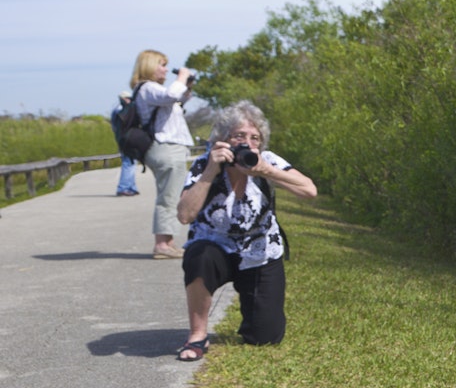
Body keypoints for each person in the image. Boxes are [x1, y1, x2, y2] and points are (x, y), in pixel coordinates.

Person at [174, 101, 317, 361]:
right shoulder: (205, 164)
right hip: (214, 247)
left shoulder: (267, 161)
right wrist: (210, 171)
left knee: (266, 337)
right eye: (239, 136)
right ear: (223, 139)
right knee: (199, 256)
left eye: (254, 138)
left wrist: (266, 170)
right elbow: (184, 215)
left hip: (259, 251)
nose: (247, 144)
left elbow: (310, 190)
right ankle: (197, 335)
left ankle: (253, 314)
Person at [129, 49, 195, 258]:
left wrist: (187, 86)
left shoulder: (152, 90)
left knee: (171, 194)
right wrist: (182, 77)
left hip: (170, 147)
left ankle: (168, 241)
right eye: (161, 64)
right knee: (169, 196)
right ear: (148, 65)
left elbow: (177, 100)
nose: (166, 69)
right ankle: (162, 245)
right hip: (166, 147)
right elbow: (171, 95)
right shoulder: (148, 88)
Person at [109, 89, 139, 196]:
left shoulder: (115, 110)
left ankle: (131, 186)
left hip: (123, 139)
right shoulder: (122, 110)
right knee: (128, 162)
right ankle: (124, 187)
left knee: (131, 162)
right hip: (126, 139)